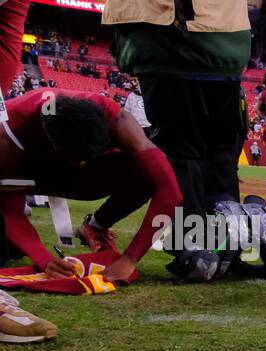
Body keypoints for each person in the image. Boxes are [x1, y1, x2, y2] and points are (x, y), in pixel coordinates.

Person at [0, 90, 182, 283]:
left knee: (146, 172)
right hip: (38, 171)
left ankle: (96, 226)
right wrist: (44, 259)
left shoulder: (117, 118)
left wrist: (130, 258)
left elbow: (171, 192)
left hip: (84, 173)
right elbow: (12, 211)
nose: (81, 164)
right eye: (78, 158)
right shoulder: (9, 136)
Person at [103, 0, 250, 235]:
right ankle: (224, 242)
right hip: (220, 42)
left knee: (187, 150)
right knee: (217, 153)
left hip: (166, 42)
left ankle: (198, 243)